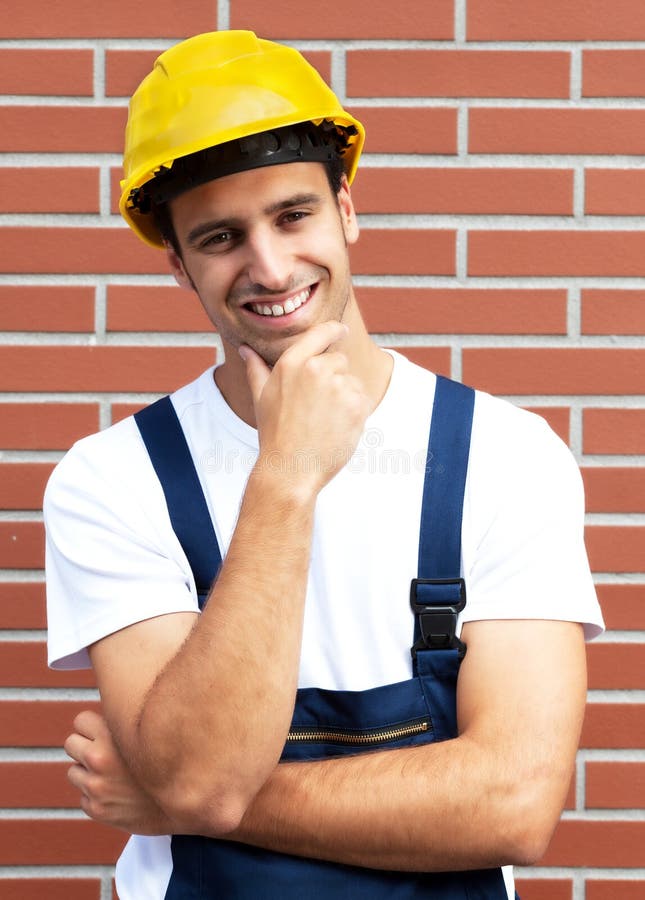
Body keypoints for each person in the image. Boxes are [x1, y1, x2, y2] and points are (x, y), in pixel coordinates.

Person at [45, 30, 604, 900]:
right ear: (179, 265)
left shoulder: (506, 456)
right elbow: (198, 777)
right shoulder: (113, 479)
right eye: (221, 237)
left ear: (346, 208)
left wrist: (183, 800)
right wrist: (287, 476)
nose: (269, 267)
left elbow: (513, 805)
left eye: (292, 215)